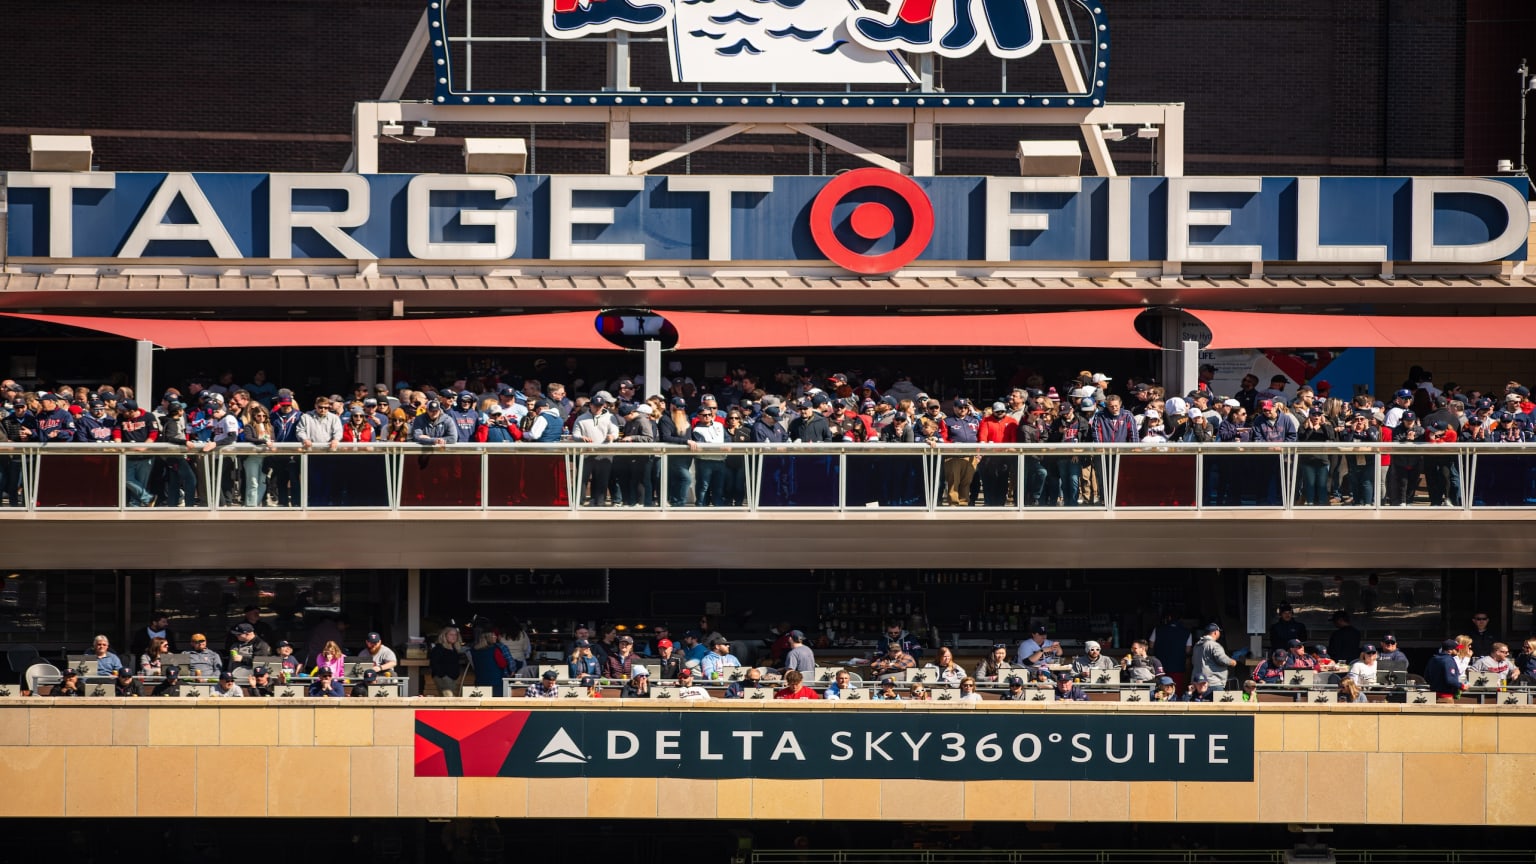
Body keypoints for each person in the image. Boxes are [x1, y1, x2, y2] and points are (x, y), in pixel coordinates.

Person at [469, 629, 517, 697]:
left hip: (480, 682)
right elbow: (503, 664)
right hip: (495, 683)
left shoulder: (474, 650)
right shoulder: (495, 650)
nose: (495, 637)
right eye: (493, 635)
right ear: (488, 637)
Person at [1192, 623, 1237, 690]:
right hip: (1212, 683)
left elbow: (1193, 661)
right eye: (1219, 631)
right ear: (1215, 632)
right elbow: (1222, 659)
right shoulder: (1214, 645)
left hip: (1198, 683)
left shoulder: (1197, 645)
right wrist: (1232, 662)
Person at [429, 626, 467, 697]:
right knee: (449, 699)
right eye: (451, 634)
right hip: (444, 678)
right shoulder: (439, 648)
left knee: (448, 700)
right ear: (445, 636)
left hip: (453, 678)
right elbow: (434, 664)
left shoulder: (454, 648)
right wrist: (443, 676)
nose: (454, 637)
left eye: (455, 635)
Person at [1424, 639, 1464, 703]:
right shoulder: (1448, 660)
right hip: (1446, 697)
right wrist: (1462, 686)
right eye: (1456, 649)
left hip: (1433, 696)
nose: (1458, 651)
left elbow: (1426, 677)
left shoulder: (1433, 659)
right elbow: (1450, 680)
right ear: (1449, 651)